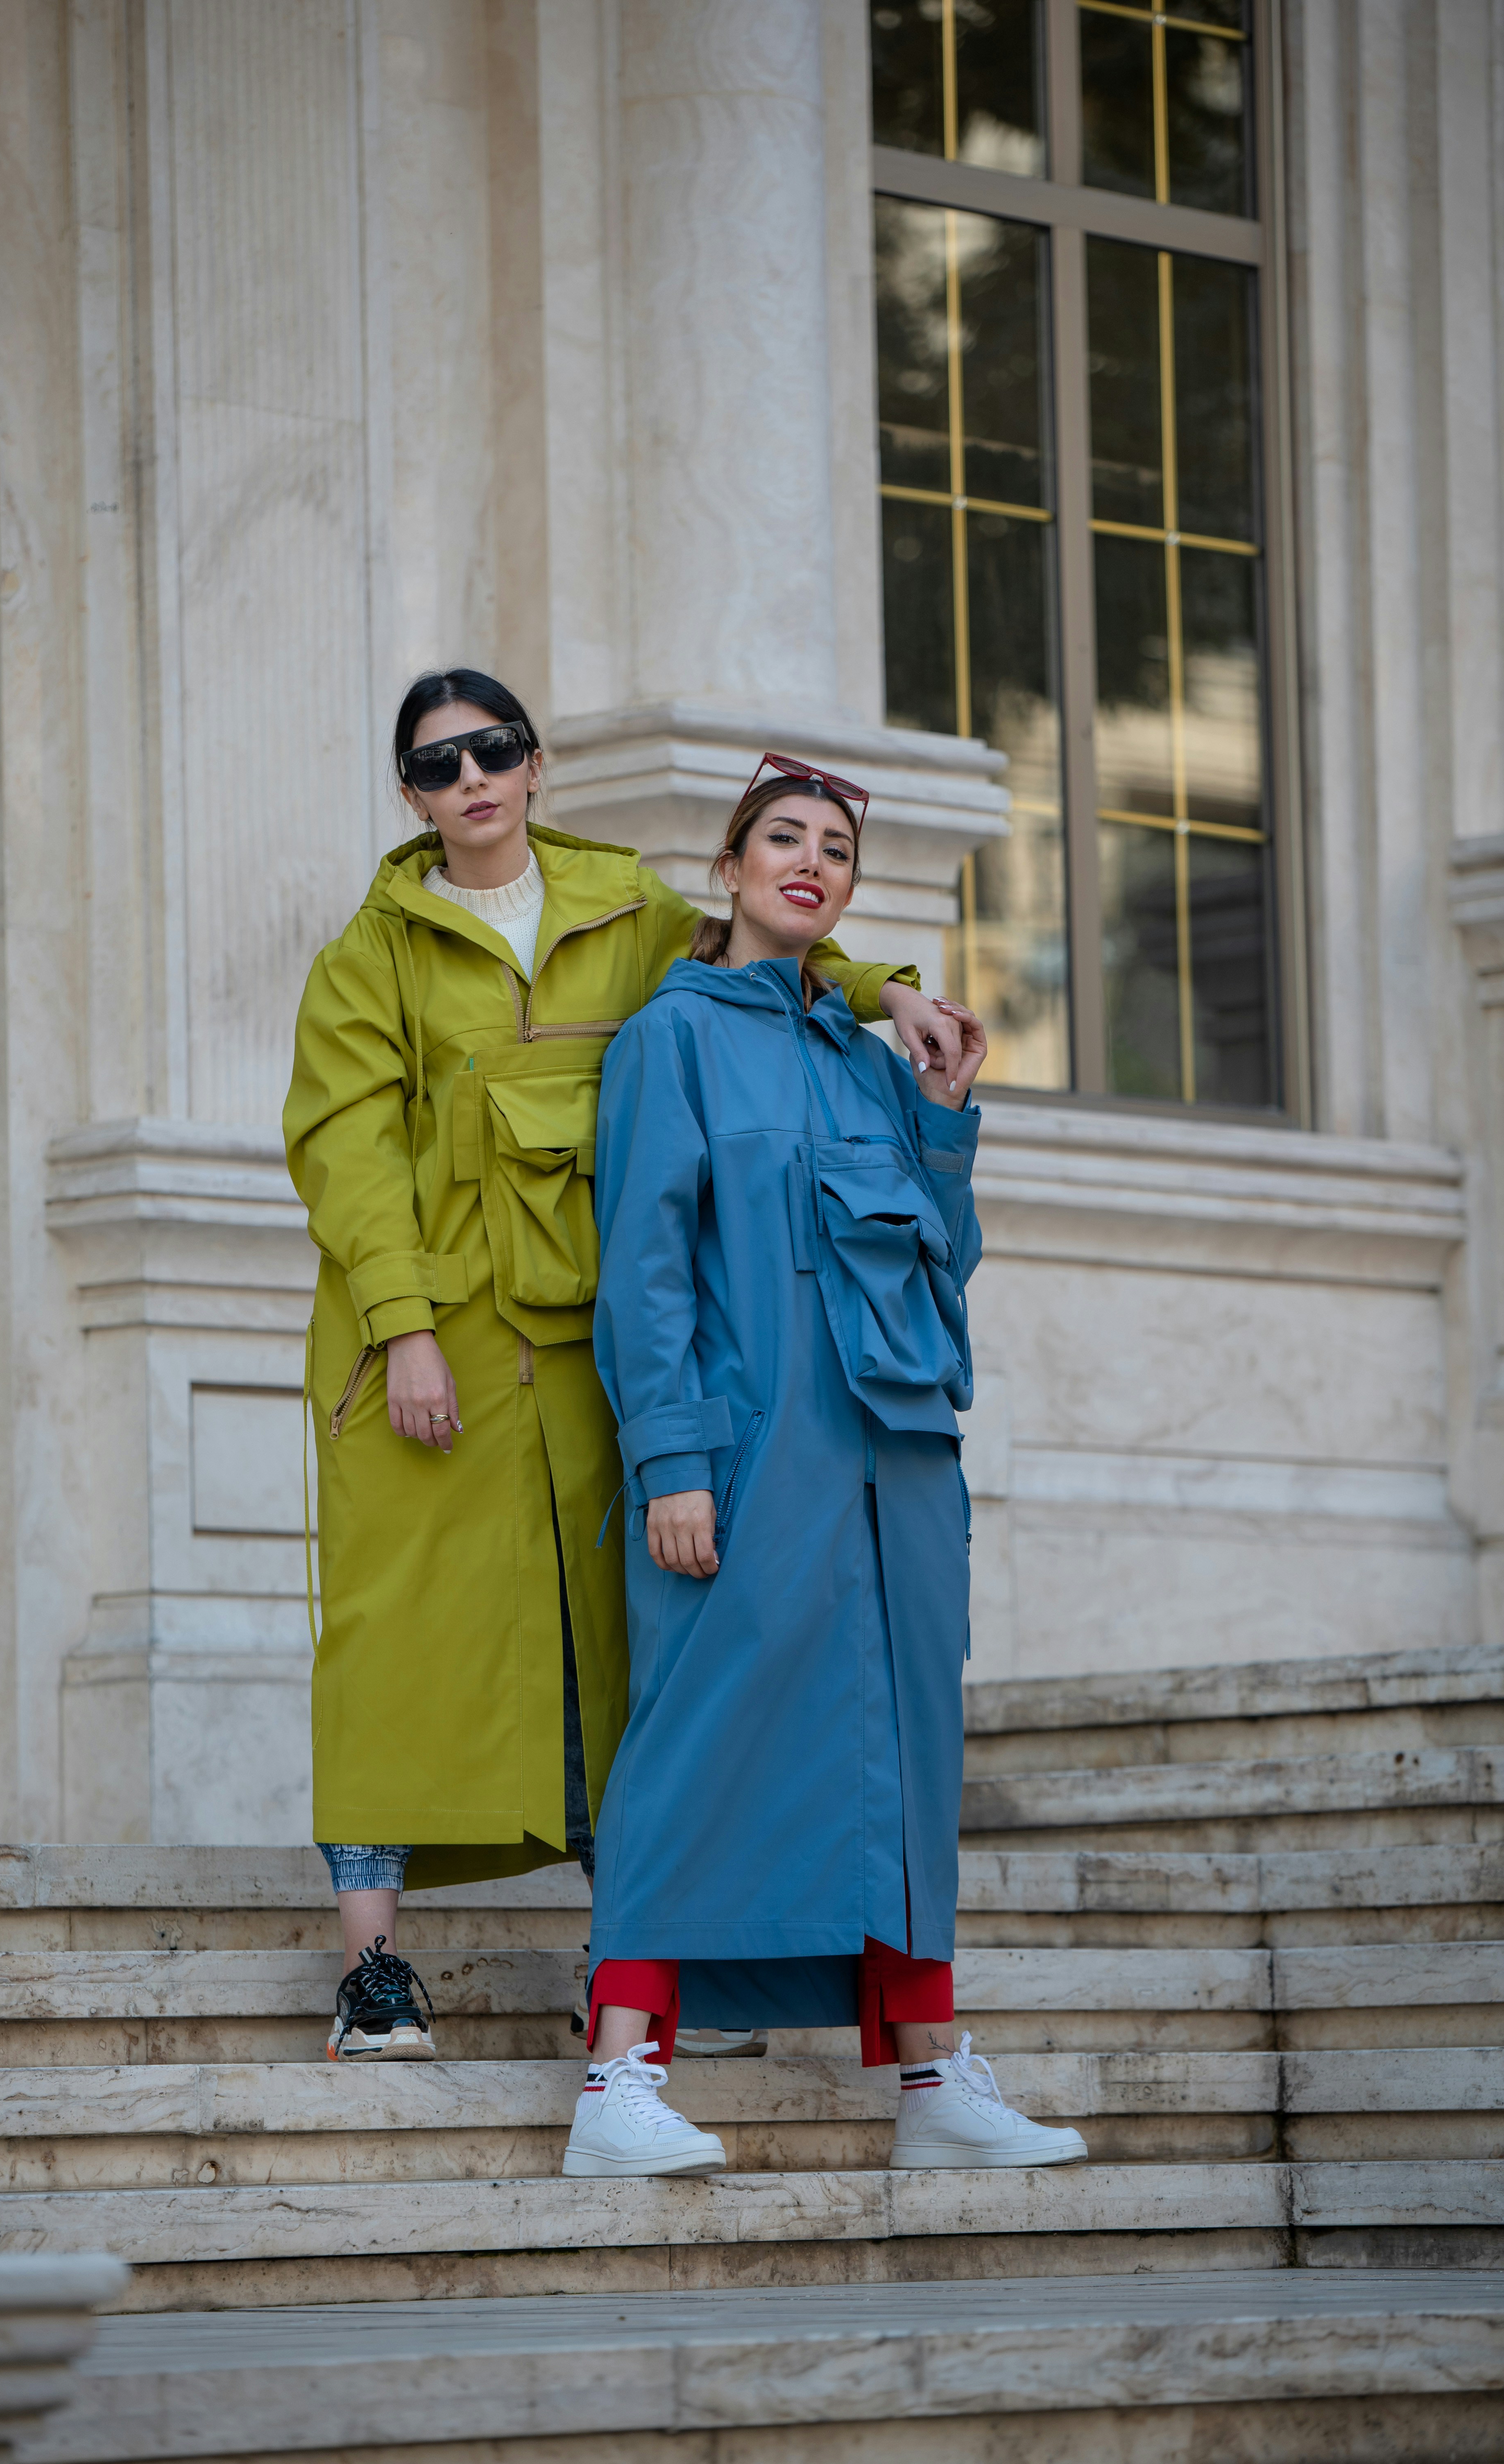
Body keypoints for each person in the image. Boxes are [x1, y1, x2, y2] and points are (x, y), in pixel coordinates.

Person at [283, 673, 970, 2059]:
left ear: (536, 766)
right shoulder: (371, 959)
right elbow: (349, 1155)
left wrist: (889, 990)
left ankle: (640, 1961)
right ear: (411, 795)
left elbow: (765, 944)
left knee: (625, 1646)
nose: (472, 779)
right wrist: (404, 1328)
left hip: (587, 1352)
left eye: (493, 750)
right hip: (430, 1350)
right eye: (438, 765)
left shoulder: (628, 908)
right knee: (393, 1641)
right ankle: (374, 1974)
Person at [568, 759, 1089, 2175]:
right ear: (732, 868)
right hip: (751, 1460)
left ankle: (934, 2086)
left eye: (838, 849)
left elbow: (940, 1265)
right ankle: (617, 2083)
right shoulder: (670, 1040)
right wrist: (671, 1458)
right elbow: (645, 1273)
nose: (812, 862)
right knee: (691, 1744)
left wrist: (945, 1119)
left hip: (895, 1467)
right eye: (785, 838)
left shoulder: (866, 1060)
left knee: (904, 1761)